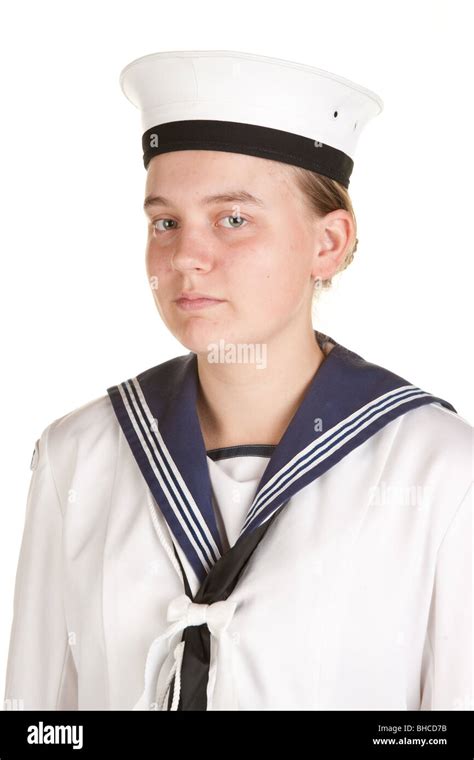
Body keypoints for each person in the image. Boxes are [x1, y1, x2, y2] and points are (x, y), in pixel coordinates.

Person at [4, 50, 472, 711]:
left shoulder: (439, 469)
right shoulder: (77, 458)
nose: (186, 257)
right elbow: (40, 723)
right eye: (165, 221)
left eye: (232, 218)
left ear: (328, 244)